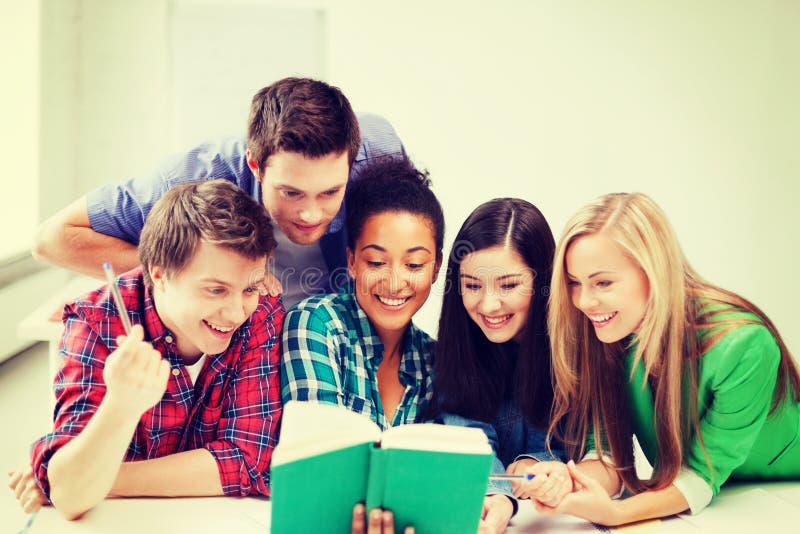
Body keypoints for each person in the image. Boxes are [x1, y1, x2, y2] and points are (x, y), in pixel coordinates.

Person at [8, 180, 284, 519]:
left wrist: (101, 475)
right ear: (161, 274)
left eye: (250, 288)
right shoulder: (95, 322)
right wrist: (121, 405)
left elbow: (246, 459)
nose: (236, 312)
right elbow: (71, 497)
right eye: (215, 290)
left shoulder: (262, 314)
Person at [525, 192, 800, 526]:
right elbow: (608, 453)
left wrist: (617, 513)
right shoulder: (609, 332)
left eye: (603, 282)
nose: (584, 301)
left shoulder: (745, 344)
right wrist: (567, 480)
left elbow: (699, 477)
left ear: (652, 271)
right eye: (573, 283)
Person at [32, 77, 405, 307]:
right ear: (255, 166)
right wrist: (201, 273)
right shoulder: (198, 177)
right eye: (291, 193)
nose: (310, 214)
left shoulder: (380, 154)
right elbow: (54, 239)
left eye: (329, 193)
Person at [430, 198, 566, 533]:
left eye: (508, 285)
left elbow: (581, 447)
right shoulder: (458, 349)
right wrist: (500, 495)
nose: (489, 304)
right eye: (473, 286)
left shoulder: (572, 350)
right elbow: (472, 441)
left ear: (541, 281)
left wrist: (538, 465)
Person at [281, 156, 442, 429]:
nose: (394, 283)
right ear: (352, 261)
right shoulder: (315, 323)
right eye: (376, 262)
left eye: (414, 265)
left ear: (436, 268)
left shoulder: (434, 360)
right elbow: (321, 455)